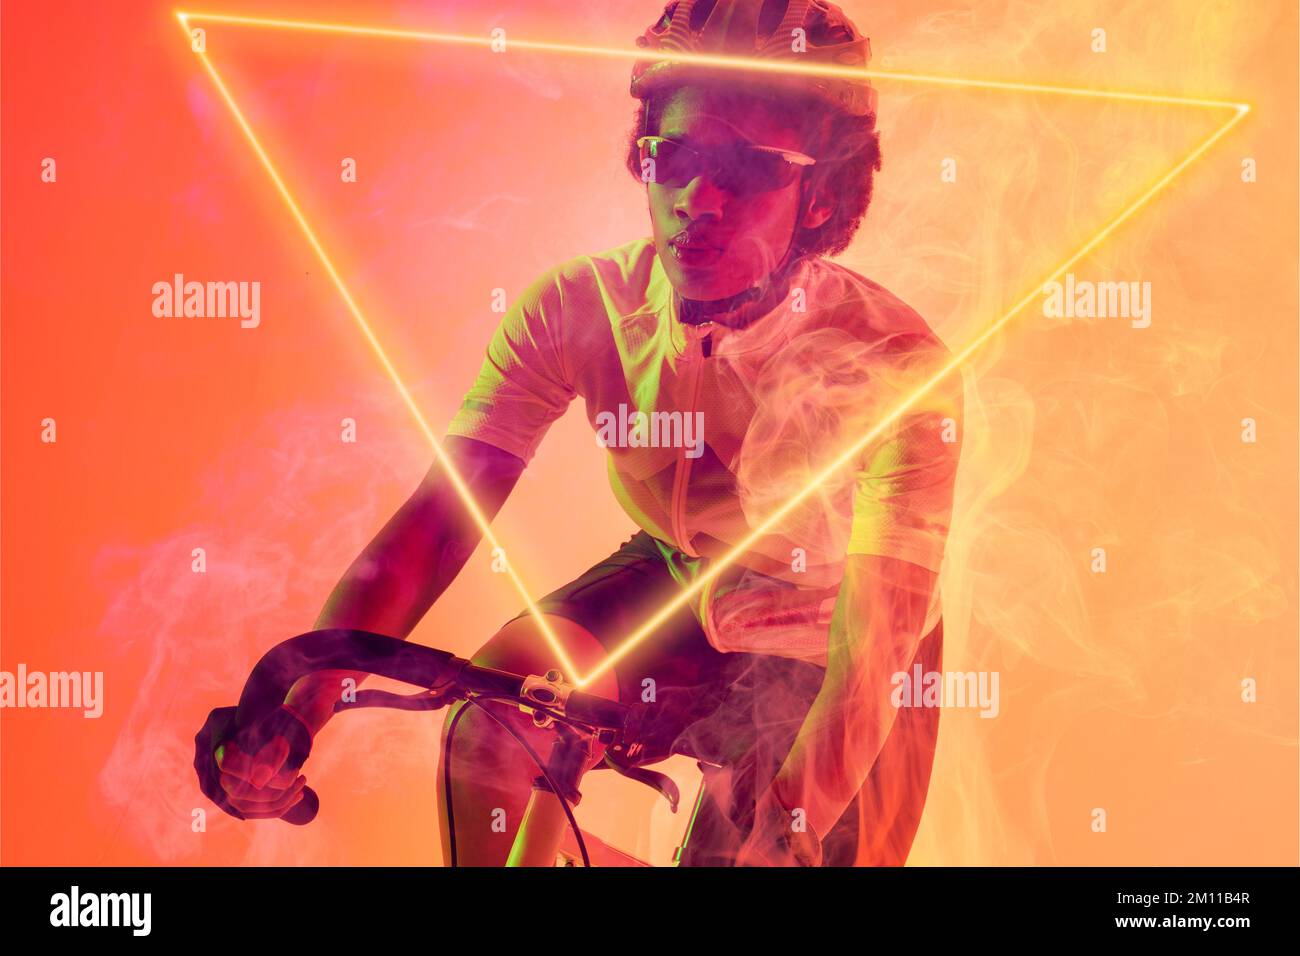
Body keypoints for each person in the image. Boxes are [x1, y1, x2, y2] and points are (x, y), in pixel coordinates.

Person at [205, 0, 963, 867]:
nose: (696, 198)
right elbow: (441, 521)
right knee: (496, 722)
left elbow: (871, 658)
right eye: (672, 154)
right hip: (677, 580)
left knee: (780, 841)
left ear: (821, 194)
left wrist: (788, 829)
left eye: (746, 169)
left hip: (841, 633)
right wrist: (297, 710)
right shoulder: (578, 309)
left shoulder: (899, 367)